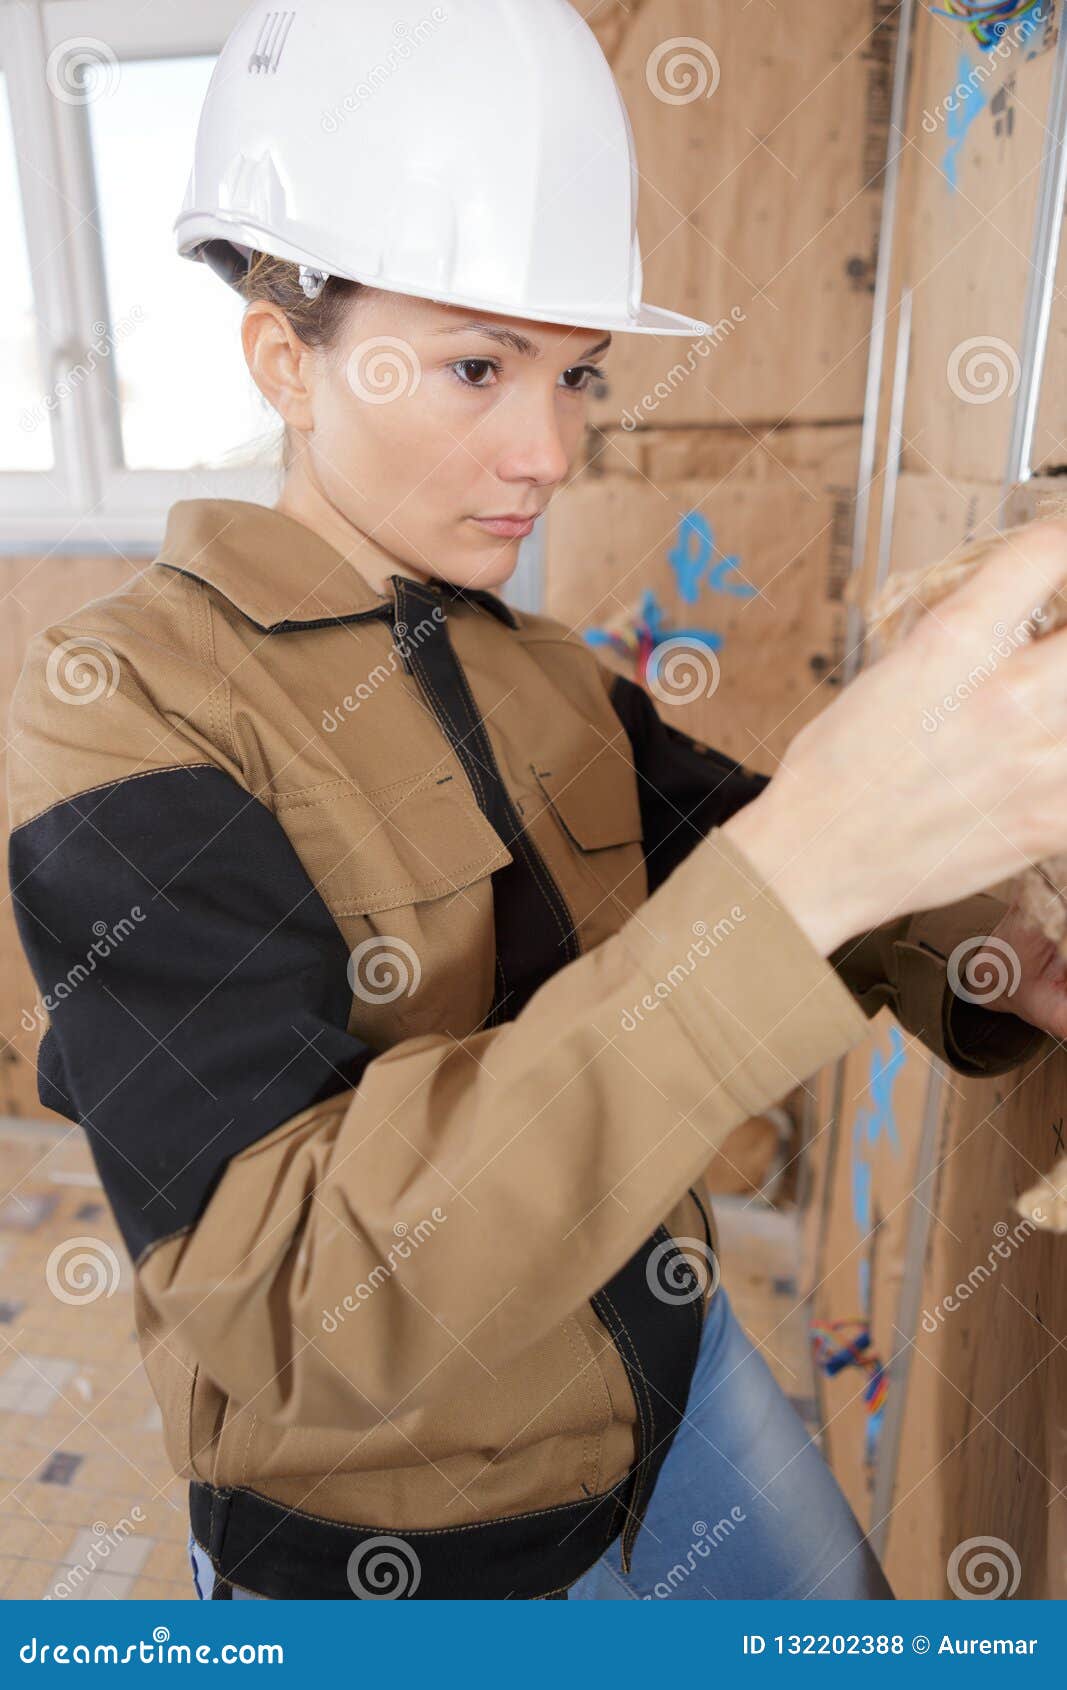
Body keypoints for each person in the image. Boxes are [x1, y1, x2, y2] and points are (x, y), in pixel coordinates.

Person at [8, 0, 1066, 1602]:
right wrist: (807, 862)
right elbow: (292, 1301)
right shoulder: (126, 706)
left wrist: (994, 944)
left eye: (576, 374)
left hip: (675, 1384)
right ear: (285, 356)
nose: (549, 445)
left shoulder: (542, 668)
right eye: (477, 365)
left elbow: (749, 852)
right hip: (414, 1543)